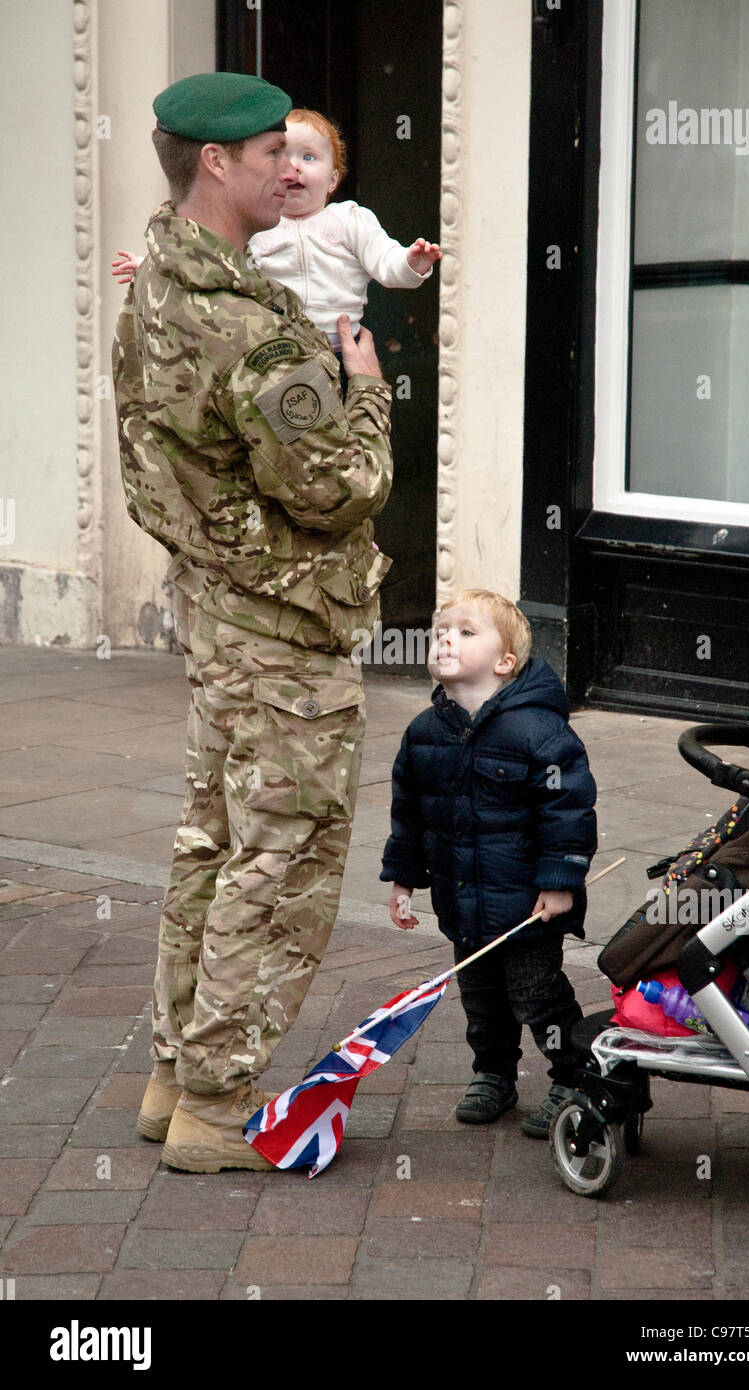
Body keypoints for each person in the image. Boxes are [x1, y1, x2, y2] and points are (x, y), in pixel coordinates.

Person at [113, 71, 394, 1173]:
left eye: (296, 150)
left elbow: (151, 472)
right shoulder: (252, 330)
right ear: (212, 164)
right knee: (279, 857)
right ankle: (218, 1109)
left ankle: (174, 1077)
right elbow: (339, 487)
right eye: (270, 151)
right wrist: (363, 389)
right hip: (286, 622)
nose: (293, 167)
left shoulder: (158, 283)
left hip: (220, 608)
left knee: (213, 841)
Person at [380, 590, 598, 1136]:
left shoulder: (537, 731)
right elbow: (409, 815)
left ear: (505, 662)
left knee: (538, 997)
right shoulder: (423, 734)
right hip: (463, 899)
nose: (446, 638)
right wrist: (404, 877)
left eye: (466, 631)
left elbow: (569, 809)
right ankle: (493, 1073)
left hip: (527, 903)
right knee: (480, 998)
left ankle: (573, 1077)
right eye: (439, 631)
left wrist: (560, 881)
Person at [112, 107, 441, 360]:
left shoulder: (351, 219)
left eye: (309, 157)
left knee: (342, 431)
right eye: (281, 156)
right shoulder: (256, 225)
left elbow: (385, 261)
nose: (294, 167)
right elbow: (209, 264)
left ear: (332, 180)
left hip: (340, 351)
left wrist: (412, 262)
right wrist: (150, 266)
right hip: (273, 348)